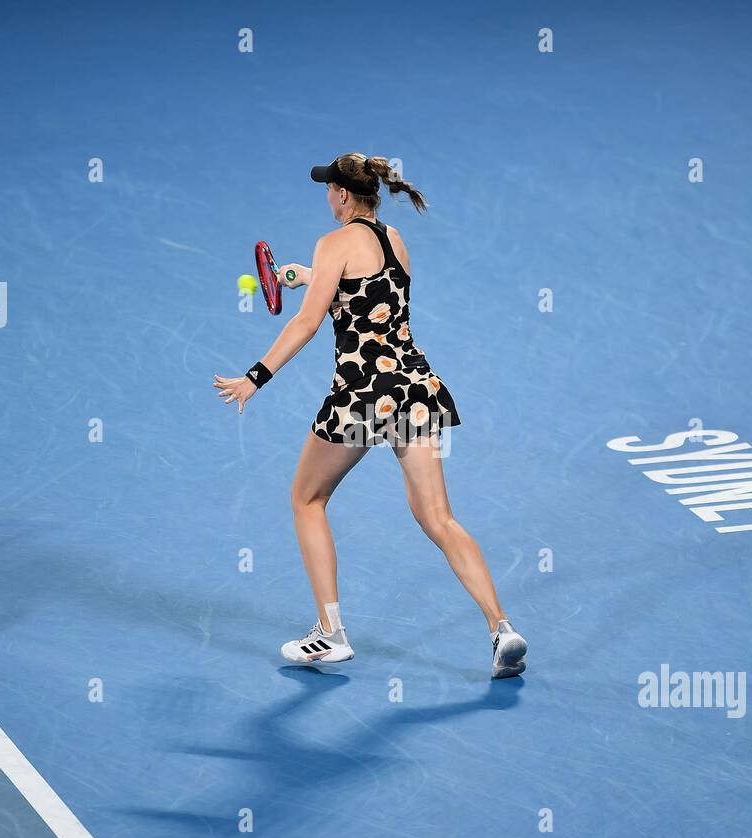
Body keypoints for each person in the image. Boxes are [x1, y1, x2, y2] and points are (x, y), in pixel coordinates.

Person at [213, 153, 527, 678]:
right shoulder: (396, 239)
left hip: (362, 394)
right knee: (439, 518)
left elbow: (310, 323)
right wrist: (310, 277)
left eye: (327, 190)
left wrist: (255, 376)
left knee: (307, 499)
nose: (326, 197)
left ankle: (331, 634)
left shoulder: (332, 243)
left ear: (339, 194)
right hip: (413, 388)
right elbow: (371, 298)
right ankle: (502, 629)